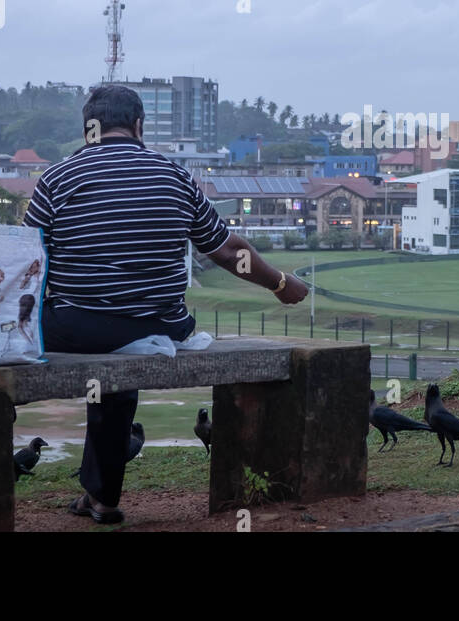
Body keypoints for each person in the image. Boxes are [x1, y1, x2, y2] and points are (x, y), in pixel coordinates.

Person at [23, 85, 308, 524]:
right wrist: (281, 284)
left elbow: (25, 257)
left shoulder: (58, 178)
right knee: (122, 355)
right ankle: (101, 497)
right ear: (139, 127)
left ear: (88, 130)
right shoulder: (174, 176)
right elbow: (228, 252)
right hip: (160, 327)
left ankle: (99, 496)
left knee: (102, 352)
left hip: (75, 328)